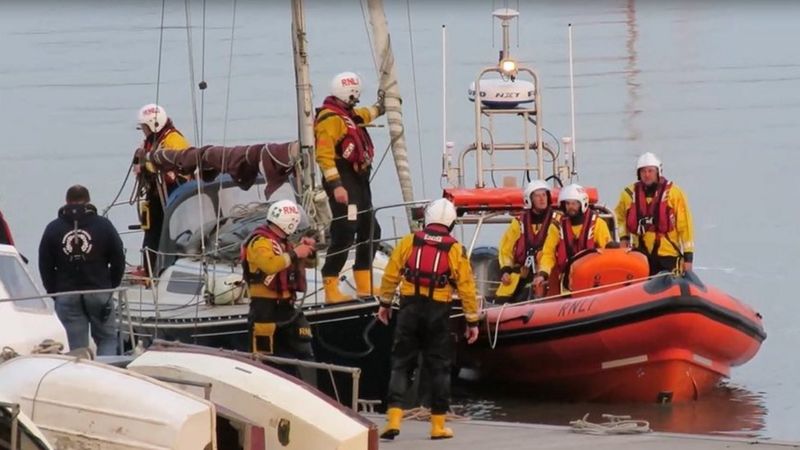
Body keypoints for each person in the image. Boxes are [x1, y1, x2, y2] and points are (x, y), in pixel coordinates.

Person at [377, 198, 480, 441]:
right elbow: (466, 287)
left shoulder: (409, 242)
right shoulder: (455, 249)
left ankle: (393, 420)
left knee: (401, 363)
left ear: (427, 218)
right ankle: (438, 426)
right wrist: (472, 321)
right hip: (438, 312)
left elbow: (391, 273)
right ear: (451, 223)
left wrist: (384, 303)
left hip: (409, 309)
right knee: (440, 368)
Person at [314, 72, 386, 303]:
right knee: (346, 230)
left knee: (371, 229)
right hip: (343, 180)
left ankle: (364, 284)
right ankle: (331, 285)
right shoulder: (330, 120)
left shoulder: (348, 115)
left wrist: (383, 106)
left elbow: (365, 114)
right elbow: (324, 156)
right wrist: (336, 186)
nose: (357, 100)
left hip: (359, 180)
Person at [38, 185, 125, 355]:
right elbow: (118, 259)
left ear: (66, 202)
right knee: (107, 338)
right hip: (100, 290)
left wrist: (54, 292)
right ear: (89, 201)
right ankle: (105, 374)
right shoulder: (104, 225)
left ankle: (81, 375)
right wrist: (110, 286)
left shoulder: (53, 228)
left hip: (66, 293)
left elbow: (45, 265)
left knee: (77, 348)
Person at [242, 199, 316, 362]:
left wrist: (308, 251)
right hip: (265, 311)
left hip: (287, 308)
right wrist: (295, 253)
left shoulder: (285, 244)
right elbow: (270, 265)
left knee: (304, 350)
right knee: (266, 357)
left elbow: (311, 264)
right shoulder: (260, 243)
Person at [132, 103, 190, 275]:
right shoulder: (151, 141)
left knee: (169, 233)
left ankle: (164, 267)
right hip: (157, 195)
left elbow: (175, 170)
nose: (143, 130)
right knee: (151, 232)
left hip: (173, 194)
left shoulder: (174, 141)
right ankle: (150, 268)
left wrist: (148, 166)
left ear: (153, 125)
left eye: (144, 127)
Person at [615, 152, 694, 275]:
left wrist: (688, 257)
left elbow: (685, 227)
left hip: (668, 254)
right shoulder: (628, 194)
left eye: (650, 171)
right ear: (638, 173)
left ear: (658, 172)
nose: (647, 175)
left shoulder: (674, 194)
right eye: (643, 171)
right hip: (640, 255)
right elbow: (620, 218)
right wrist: (623, 238)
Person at [538, 184, 612, 291]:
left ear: (582, 204)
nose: (570, 207)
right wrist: (543, 273)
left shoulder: (598, 224)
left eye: (574, 203)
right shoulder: (557, 227)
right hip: (568, 279)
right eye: (567, 203)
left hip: (594, 278)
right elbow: (548, 254)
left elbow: (607, 251)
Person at [496, 180, 560, 301]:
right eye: (537, 196)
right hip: (522, 274)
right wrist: (505, 270)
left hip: (549, 275)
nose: (542, 199)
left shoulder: (558, 221)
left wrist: (543, 272)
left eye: (544, 195)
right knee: (503, 299)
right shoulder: (519, 222)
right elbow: (506, 249)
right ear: (529, 199)